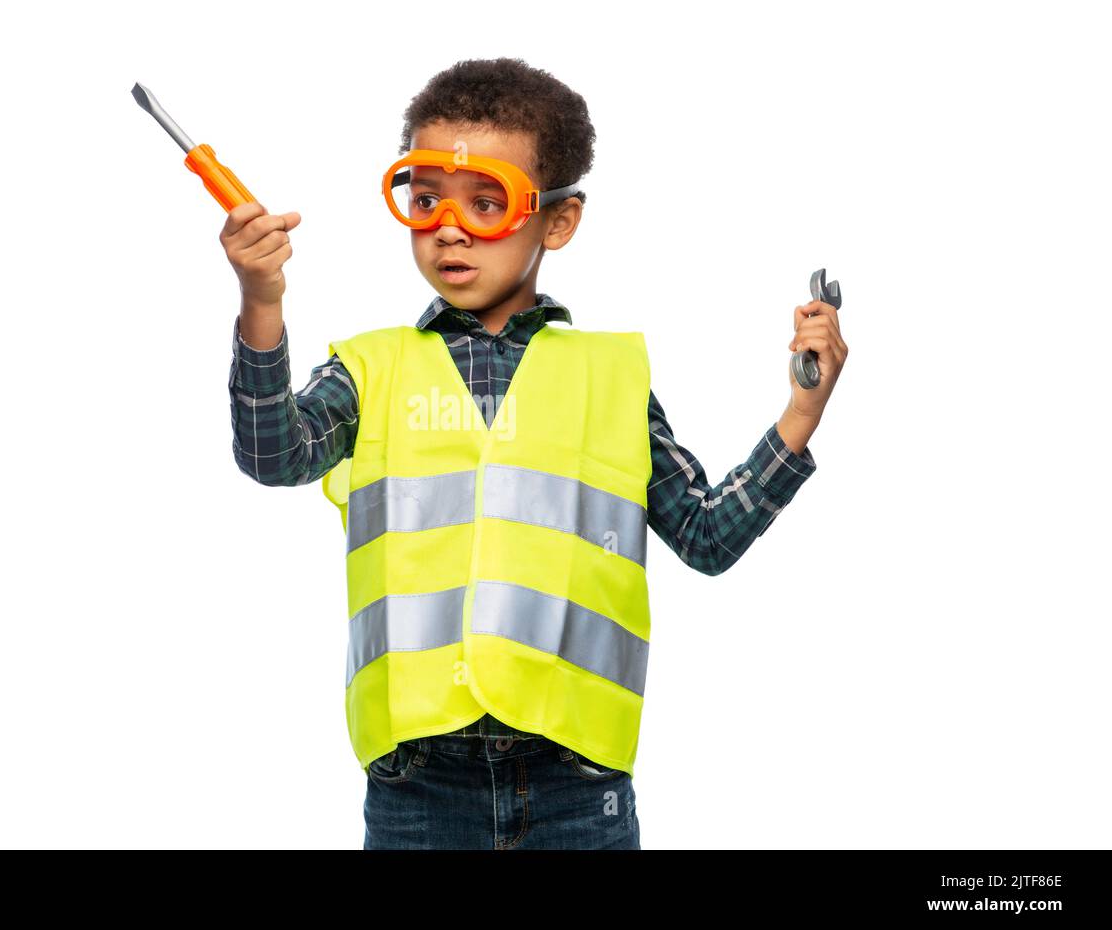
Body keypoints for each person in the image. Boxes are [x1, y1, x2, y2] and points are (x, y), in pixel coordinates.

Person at [224, 58, 847, 849]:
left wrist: (802, 410)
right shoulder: (369, 368)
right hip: (417, 782)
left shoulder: (609, 377)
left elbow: (708, 536)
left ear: (558, 221)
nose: (449, 228)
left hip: (577, 783)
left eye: (486, 203)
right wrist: (262, 305)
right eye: (425, 201)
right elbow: (272, 453)